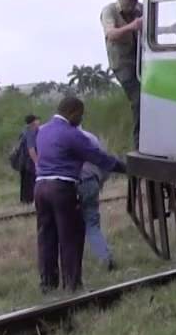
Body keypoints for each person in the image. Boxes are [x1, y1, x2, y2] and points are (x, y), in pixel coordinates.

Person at [34, 97, 126, 293]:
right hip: (62, 188)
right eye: (81, 114)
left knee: (46, 237)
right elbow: (98, 157)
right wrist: (126, 167)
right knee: (71, 237)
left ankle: (48, 285)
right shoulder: (72, 134)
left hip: (40, 188)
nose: (81, 118)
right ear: (73, 112)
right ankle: (72, 285)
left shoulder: (42, 131)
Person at [101, 0, 144, 149]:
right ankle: (139, 145)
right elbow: (111, 34)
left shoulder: (140, 9)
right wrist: (132, 26)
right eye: (128, 3)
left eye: (133, 3)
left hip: (141, 59)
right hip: (122, 63)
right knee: (139, 99)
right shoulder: (109, 11)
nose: (130, 7)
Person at [78, 126, 116, 272]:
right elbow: (104, 162)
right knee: (92, 223)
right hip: (92, 181)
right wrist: (100, 182)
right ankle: (105, 257)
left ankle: (72, 265)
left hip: (71, 184)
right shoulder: (91, 137)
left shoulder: (56, 136)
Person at [16, 115, 41, 205]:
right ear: (33, 122)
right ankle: (30, 201)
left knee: (25, 182)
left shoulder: (24, 131)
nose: (39, 122)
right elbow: (31, 149)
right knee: (31, 181)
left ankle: (25, 201)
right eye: (37, 120)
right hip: (28, 162)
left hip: (22, 161)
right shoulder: (31, 132)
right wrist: (36, 162)